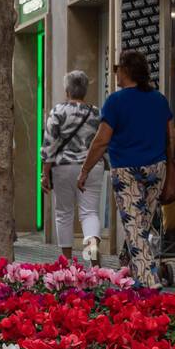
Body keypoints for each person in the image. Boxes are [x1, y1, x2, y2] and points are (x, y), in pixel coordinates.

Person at [78, 50, 175, 287]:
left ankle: (148, 279)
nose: (115, 73)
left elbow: (102, 140)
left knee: (134, 227)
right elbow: (171, 136)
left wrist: (85, 170)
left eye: (117, 69)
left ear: (125, 71)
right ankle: (132, 272)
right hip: (157, 168)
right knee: (142, 225)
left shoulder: (115, 101)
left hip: (126, 171)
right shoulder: (159, 99)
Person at [42, 70, 103, 261]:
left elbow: (49, 143)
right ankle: (91, 253)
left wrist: (45, 173)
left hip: (63, 167)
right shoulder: (97, 112)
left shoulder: (58, 111)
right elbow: (103, 140)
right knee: (90, 212)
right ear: (85, 90)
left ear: (67, 90)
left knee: (64, 213)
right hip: (92, 166)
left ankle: (67, 263)